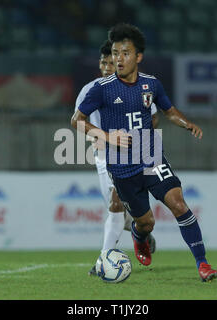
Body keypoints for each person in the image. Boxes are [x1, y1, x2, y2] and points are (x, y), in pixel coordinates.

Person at [71, 23, 217, 282]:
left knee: (178, 202)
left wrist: (187, 123)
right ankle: (139, 236)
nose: (118, 59)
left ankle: (203, 264)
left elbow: (168, 111)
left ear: (138, 56)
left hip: (150, 155)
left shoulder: (151, 84)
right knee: (146, 222)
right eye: (115, 53)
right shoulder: (101, 88)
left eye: (125, 53)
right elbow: (77, 120)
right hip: (121, 165)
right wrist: (107, 136)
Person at [74, 39, 159, 276]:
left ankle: (104, 259)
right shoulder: (90, 90)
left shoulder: (136, 87)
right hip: (103, 156)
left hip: (132, 154)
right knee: (119, 214)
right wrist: (102, 136)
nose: (107, 66)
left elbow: (153, 117)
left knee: (116, 203)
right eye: (104, 62)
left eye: (112, 62)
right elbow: (79, 122)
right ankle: (140, 231)